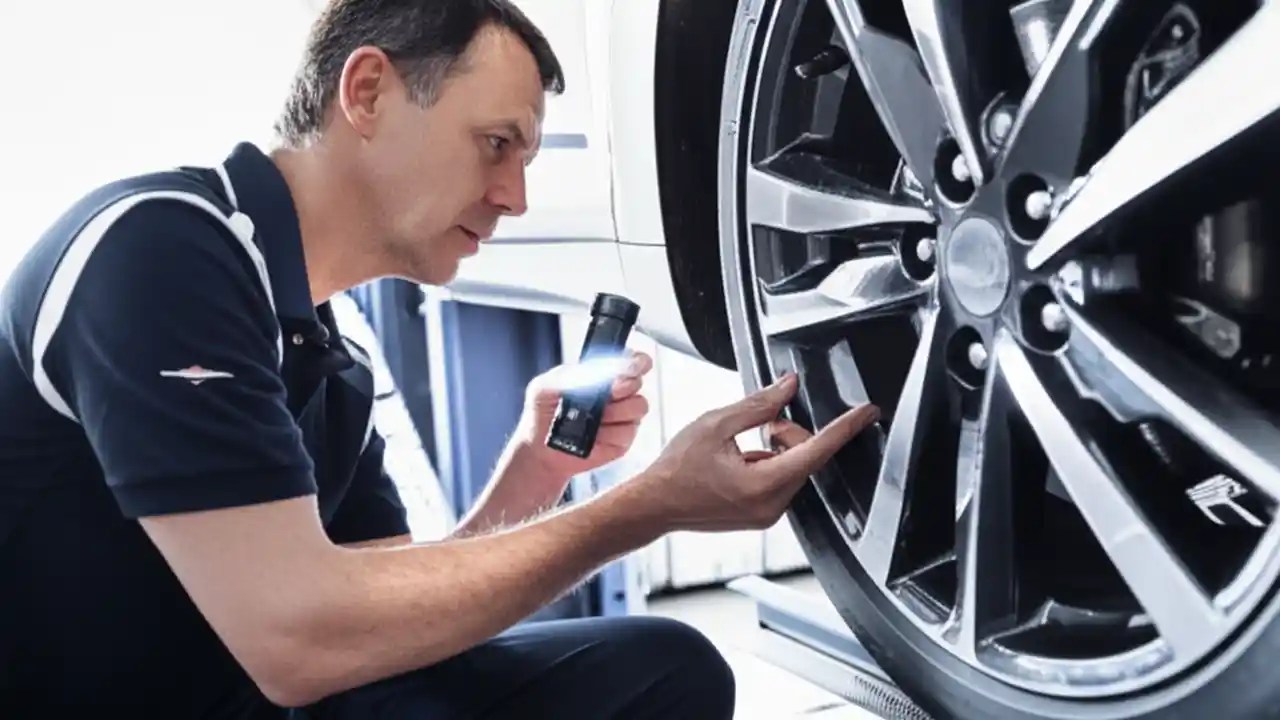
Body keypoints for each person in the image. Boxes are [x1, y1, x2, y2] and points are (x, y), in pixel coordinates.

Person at [0, 1, 880, 718]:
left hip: (239, 693)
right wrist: (651, 508)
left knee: (665, 669)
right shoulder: (159, 249)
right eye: (496, 145)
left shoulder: (330, 361)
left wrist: (533, 474)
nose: (516, 198)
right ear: (370, 91)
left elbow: (394, 621)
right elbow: (300, 640)